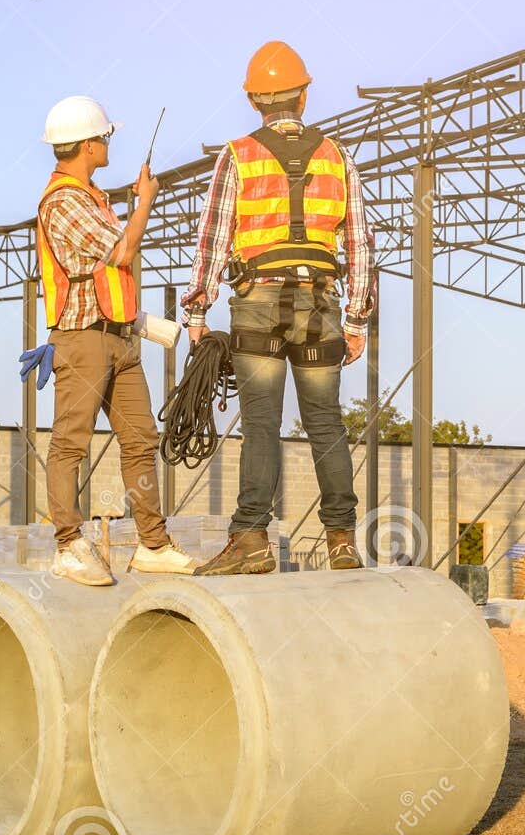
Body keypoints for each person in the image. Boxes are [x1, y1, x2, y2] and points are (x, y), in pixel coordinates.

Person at [182, 42, 375, 575]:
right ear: (304, 96)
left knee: (262, 423)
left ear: (253, 101)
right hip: (320, 304)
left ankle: (252, 540)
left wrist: (197, 313)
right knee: (325, 422)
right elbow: (360, 243)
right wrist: (356, 320)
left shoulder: (237, 155)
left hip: (258, 303)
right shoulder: (338, 157)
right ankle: (342, 542)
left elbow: (213, 239)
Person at [36, 94, 198, 585]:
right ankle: (68, 545)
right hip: (83, 340)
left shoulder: (91, 199)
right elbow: (122, 251)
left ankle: (153, 544)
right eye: (105, 137)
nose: (109, 143)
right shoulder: (63, 201)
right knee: (70, 443)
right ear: (87, 144)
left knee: (140, 440)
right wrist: (145, 201)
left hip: (120, 338)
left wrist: (130, 203)